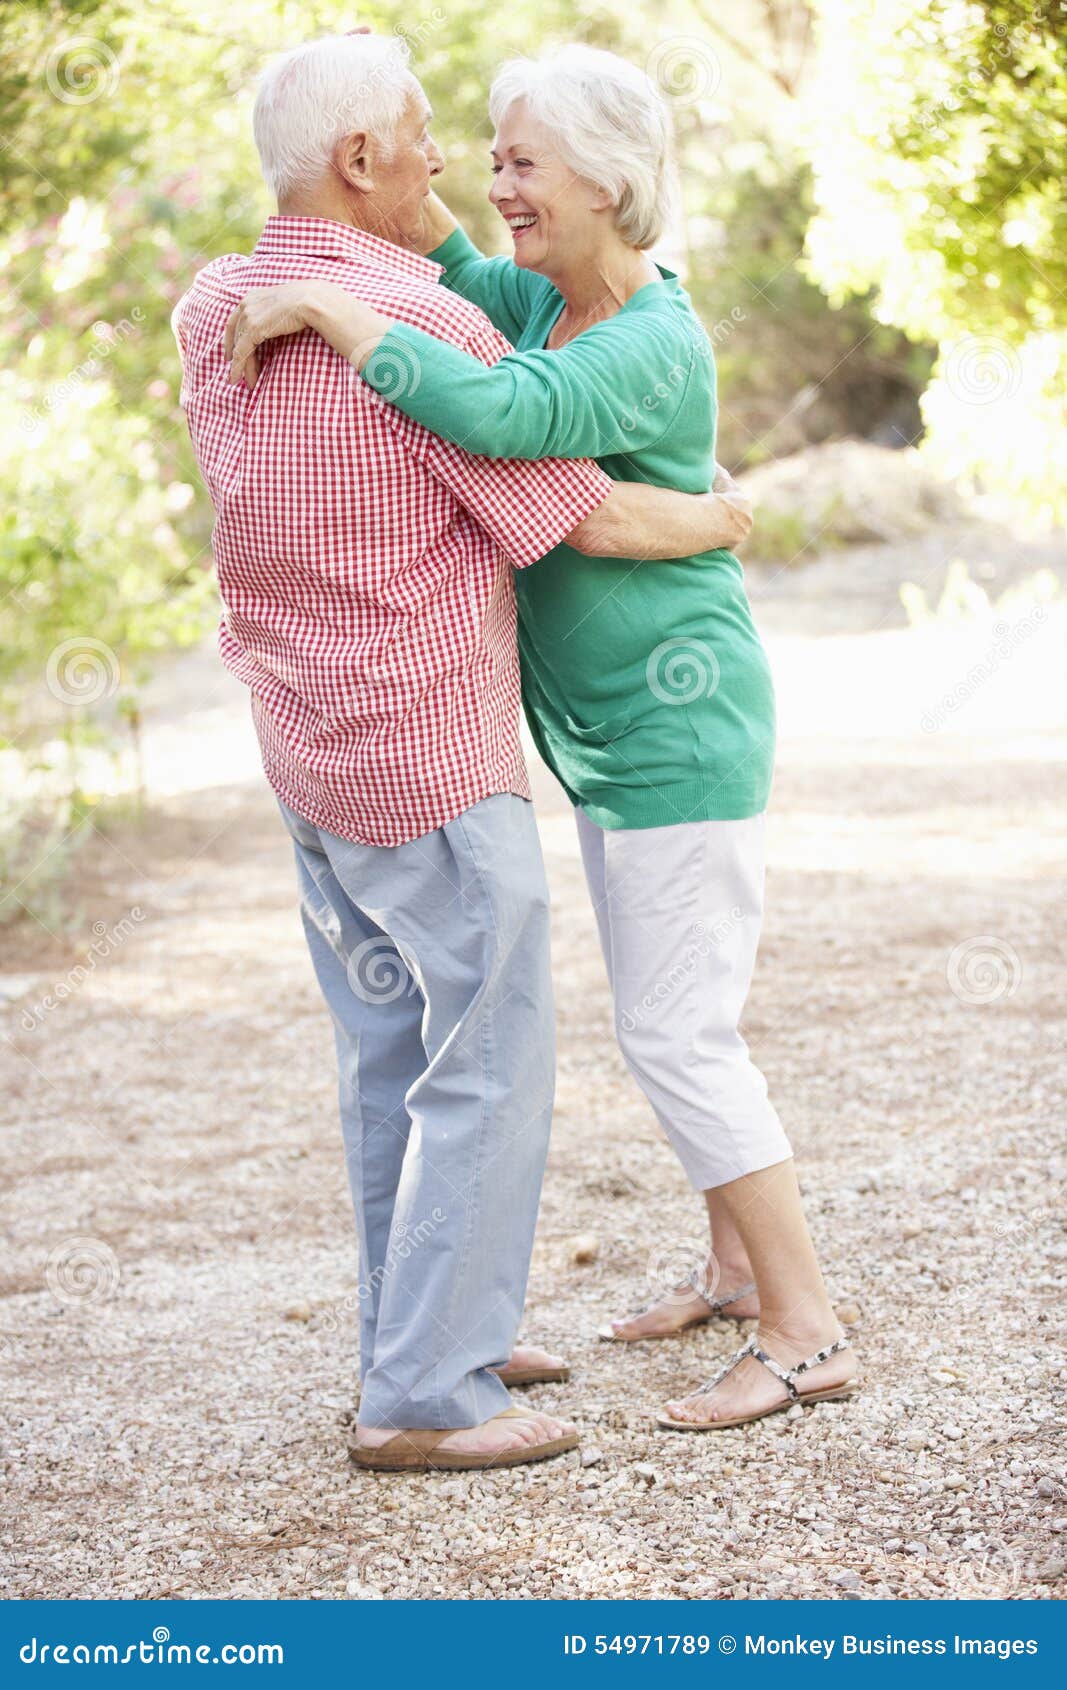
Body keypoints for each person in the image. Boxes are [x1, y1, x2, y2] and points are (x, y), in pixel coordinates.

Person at [223, 42, 858, 1432]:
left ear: (606, 185)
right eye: (486, 150)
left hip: (676, 732)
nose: (491, 183)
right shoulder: (540, 297)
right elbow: (434, 245)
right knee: (675, 1015)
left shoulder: (642, 339)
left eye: (522, 162)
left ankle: (808, 1330)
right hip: (612, 742)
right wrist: (367, 216)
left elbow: (502, 410)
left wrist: (330, 309)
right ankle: (740, 1269)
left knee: (676, 1032)